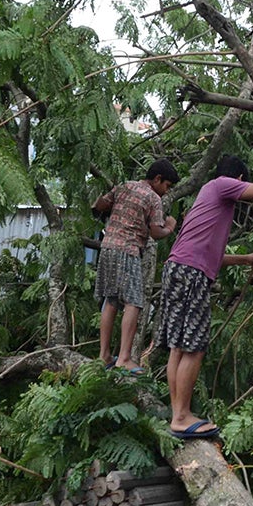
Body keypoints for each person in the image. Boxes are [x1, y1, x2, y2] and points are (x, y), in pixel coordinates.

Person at [157, 136, 253, 439]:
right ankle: (182, 416)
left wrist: (246, 258)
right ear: (237, 179)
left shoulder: (206, 198)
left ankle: (178, 413)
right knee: (194, 347)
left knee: (178, 346)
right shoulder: (223, 184)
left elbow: (210, 254)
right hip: (191, 274)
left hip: (177, 269)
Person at [92, 158, 179, 374]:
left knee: (111, 300)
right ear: (157, 179)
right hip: (128, 250)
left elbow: (99, 205)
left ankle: (103, 355)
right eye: (166, 186)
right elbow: (156, 233)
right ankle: (124, 358)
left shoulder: (124, 186)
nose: (166, 192)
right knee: (134, 303)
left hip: (108, 246)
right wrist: (169, 227)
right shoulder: (153, 198)